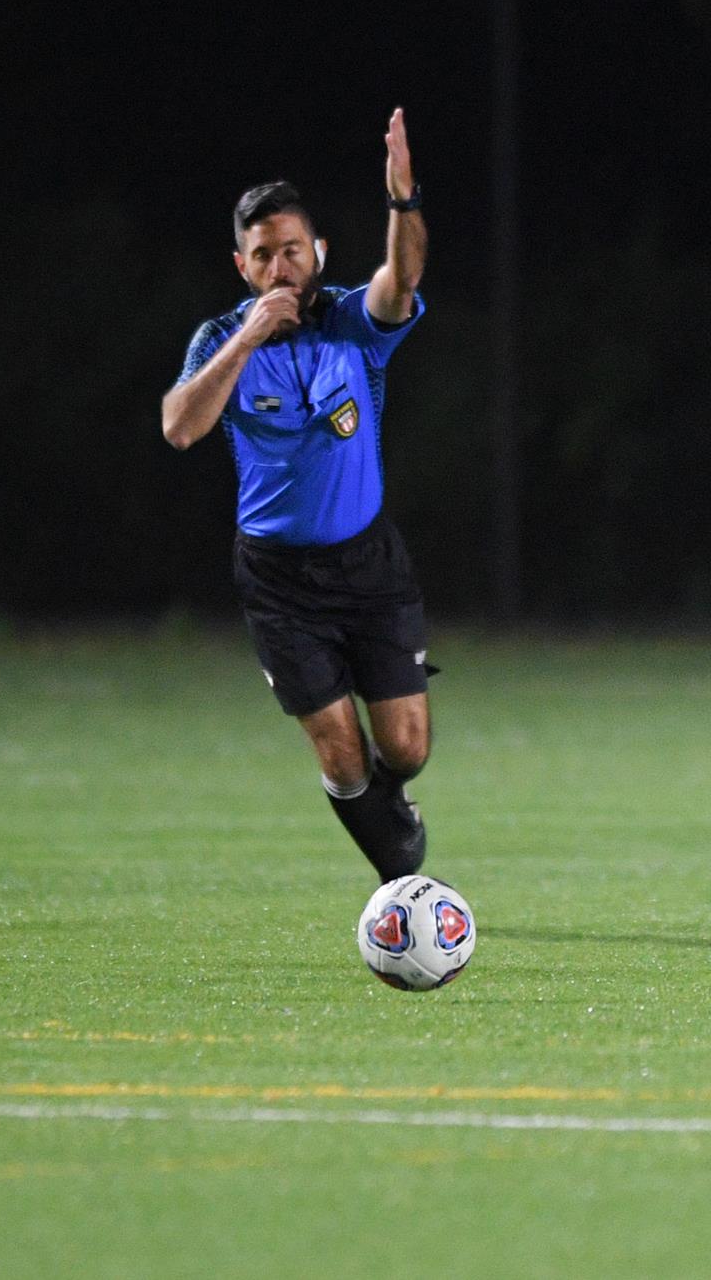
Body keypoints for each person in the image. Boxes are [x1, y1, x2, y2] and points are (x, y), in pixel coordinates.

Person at [163, 109, 434, 884]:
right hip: (280, 580)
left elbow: (402, 279)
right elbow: (179, 426)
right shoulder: (221, 339)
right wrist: (248, 338)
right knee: (342, 757)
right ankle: (399, 884)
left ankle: (396, 817)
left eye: (291, 250)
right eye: (263, 256)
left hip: (370, 562)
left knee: (406, 746)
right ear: (242, 267)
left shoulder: (351, 321)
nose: (281, 267)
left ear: (316, 252)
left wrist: (402, 201)